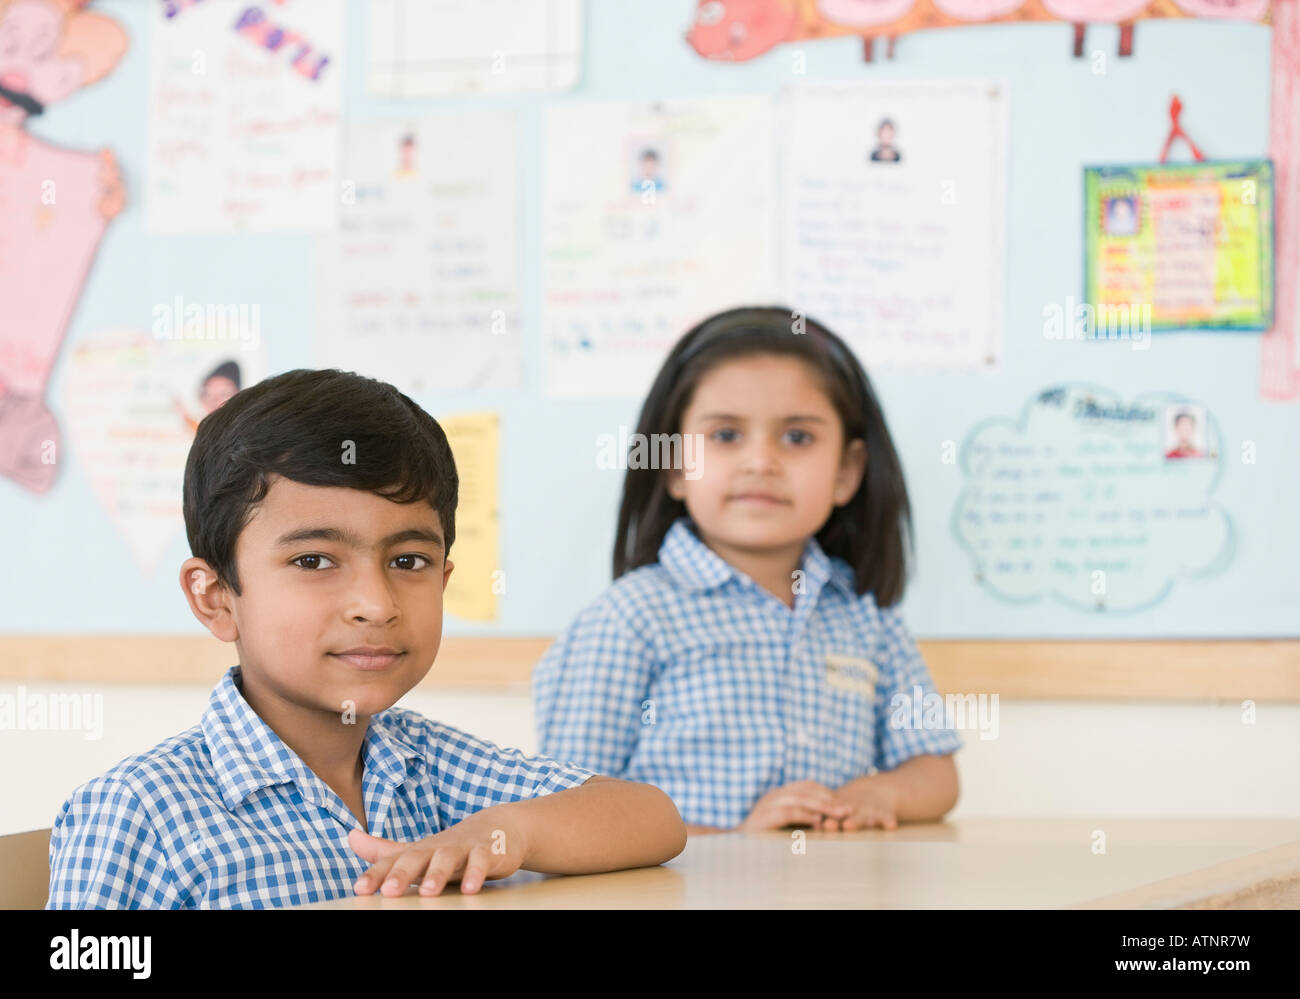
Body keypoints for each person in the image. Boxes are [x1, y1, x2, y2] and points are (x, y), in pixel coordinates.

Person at [47, 368, 685, 908]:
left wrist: (505, 833)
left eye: (408, 562)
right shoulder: (136, 813)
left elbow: (652, 819)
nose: (375, 605)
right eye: (315, 561)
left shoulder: (427, 767)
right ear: (215, 598)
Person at [534, 306, 961, 835]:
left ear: (847, 473)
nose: (760, 462)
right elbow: (566, 811)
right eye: (726, 436)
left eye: (798, 438)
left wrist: (876, 793)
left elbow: (936, 771)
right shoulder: (630, 618)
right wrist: (737, 845)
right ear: (674, 466)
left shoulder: (866, 615)